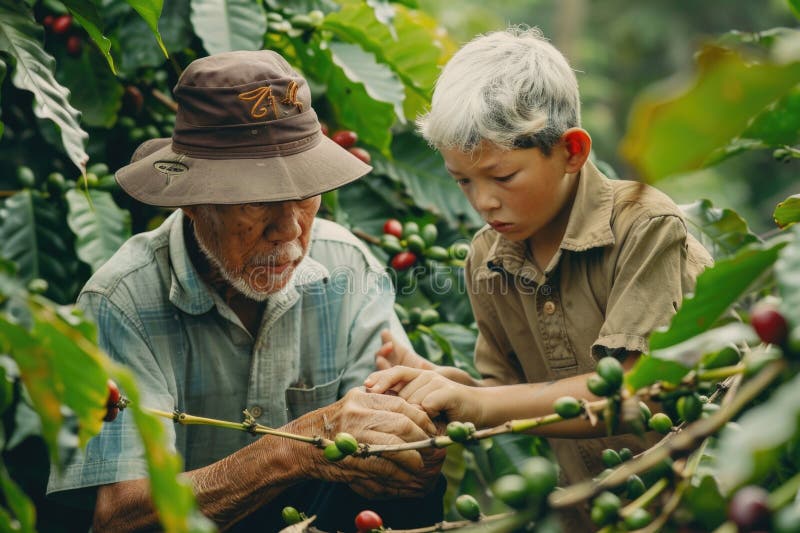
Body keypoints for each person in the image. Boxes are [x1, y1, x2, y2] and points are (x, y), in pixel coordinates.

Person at [46, 50, 445, 532]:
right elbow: (119, 519)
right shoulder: (119, 304)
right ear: (193, 204)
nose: (289, 230)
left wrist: (419, 433)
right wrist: (295, 448)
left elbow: (395, 459)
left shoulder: (348, 267)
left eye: (304, 195)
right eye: (257, 203)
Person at [363, 26, 713, 528]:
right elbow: (505, 391)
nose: (482, 201)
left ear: (571, 151)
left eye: (502, 177)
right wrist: (437, 382)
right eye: (462, 180)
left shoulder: (645, 227)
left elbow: (638, 390)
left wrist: (479, 402)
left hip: (703, 502)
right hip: (600, 515)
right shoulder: (487, 258)